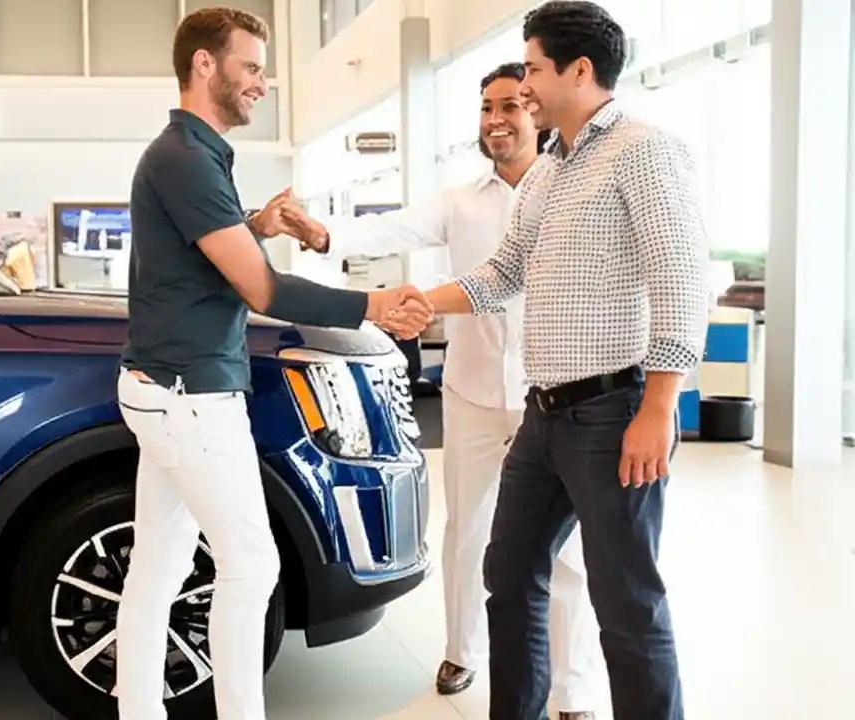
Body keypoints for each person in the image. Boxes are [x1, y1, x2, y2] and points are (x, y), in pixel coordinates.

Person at [113, 7, 432, 720]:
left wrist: (258, 223)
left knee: (158, 570)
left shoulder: (190, 154)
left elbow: (199, 256)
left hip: (163, 390)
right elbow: (260, 288)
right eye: (252, 66)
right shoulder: (186, 158)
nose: (264, 82)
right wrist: (375, 304)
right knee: (251, 566)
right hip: (190, 397)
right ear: (205, 65)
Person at [278, 62, 601, 720]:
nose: (495, 120)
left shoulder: (568, 191)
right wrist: (321, 233)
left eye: (509, 106)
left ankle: (570, 690)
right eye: (486, 108)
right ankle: (461, 649)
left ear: (535, 111)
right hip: (475, 393)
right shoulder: (460, 200)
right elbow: (392, 228)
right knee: (467, 530)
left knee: (564, 547)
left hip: (554, 390)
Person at [417, 3, 708, 719]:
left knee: (625, 600)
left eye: (536, 70)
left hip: (614, 411)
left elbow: (681, 279)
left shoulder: (643, 150)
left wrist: (658, 409)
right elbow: (501, 274)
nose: (526, 87)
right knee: (509, 575)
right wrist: (419, 301)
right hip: (544, 414)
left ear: (580, 71)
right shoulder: (549, 171)